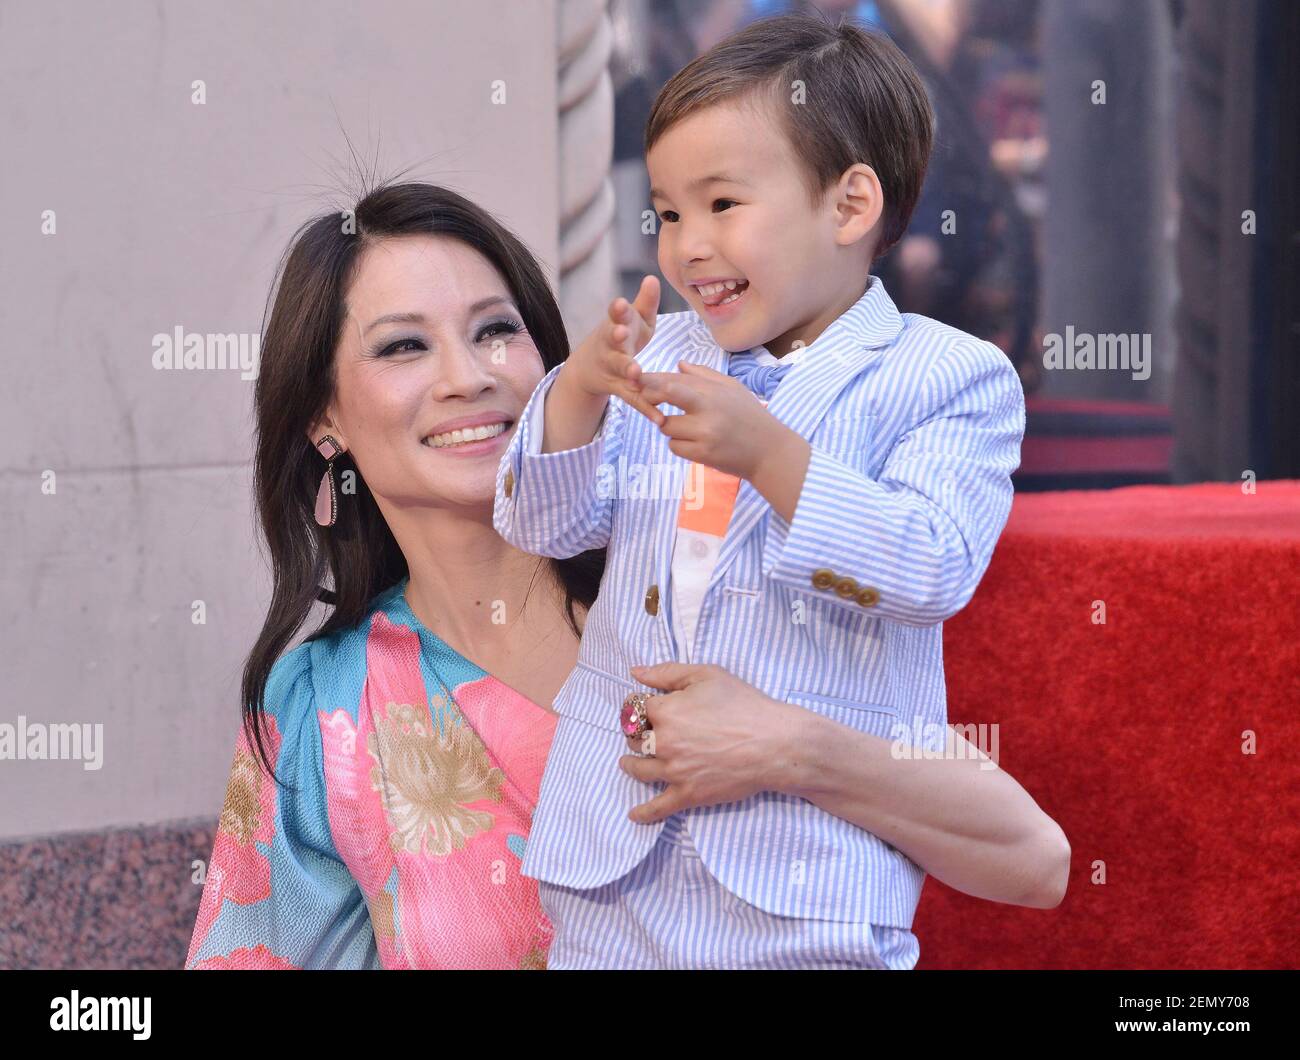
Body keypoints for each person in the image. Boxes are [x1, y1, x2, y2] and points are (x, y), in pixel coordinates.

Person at [186, 177, 1063, 970]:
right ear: (323, 421)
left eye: (498, 330)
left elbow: (1033, 859)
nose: (471, 378)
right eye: (403, 348)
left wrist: (788, 748)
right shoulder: (324, 707)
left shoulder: (683, 585)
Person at [494, 11, 1034, 968]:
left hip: (805, 886)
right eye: (665, 213)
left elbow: (930, 565)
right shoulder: (661, 356)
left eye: (722, 204)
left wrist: (774, 459)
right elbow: (550, 522)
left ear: (850, 205)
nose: (687, 245)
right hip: (613, 858)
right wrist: (577, 392)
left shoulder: (945, 377)